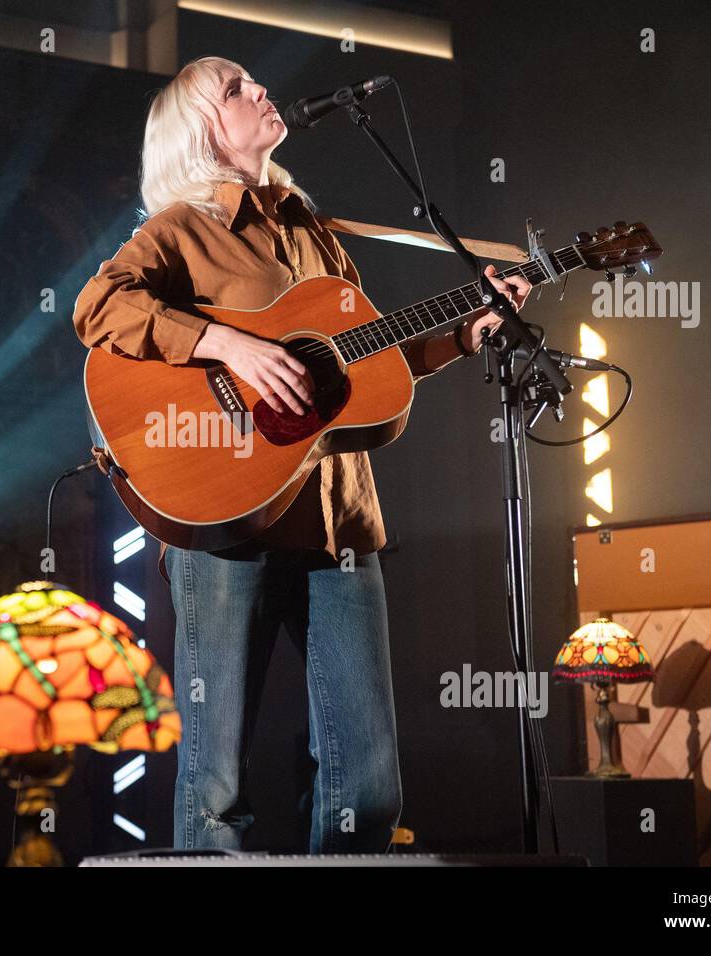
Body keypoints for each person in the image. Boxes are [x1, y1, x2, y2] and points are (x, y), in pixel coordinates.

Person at [71, 56, 531, 854]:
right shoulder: (181, 230)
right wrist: (227, 346)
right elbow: (98, 306)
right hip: (224, 518)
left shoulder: (315, 232)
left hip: (337, 519)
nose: (261, 91)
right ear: (202, 128)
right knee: (215, 786)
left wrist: (466, 334)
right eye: (236, 89)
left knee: (369, 785)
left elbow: (367, 363)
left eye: (255, 81)